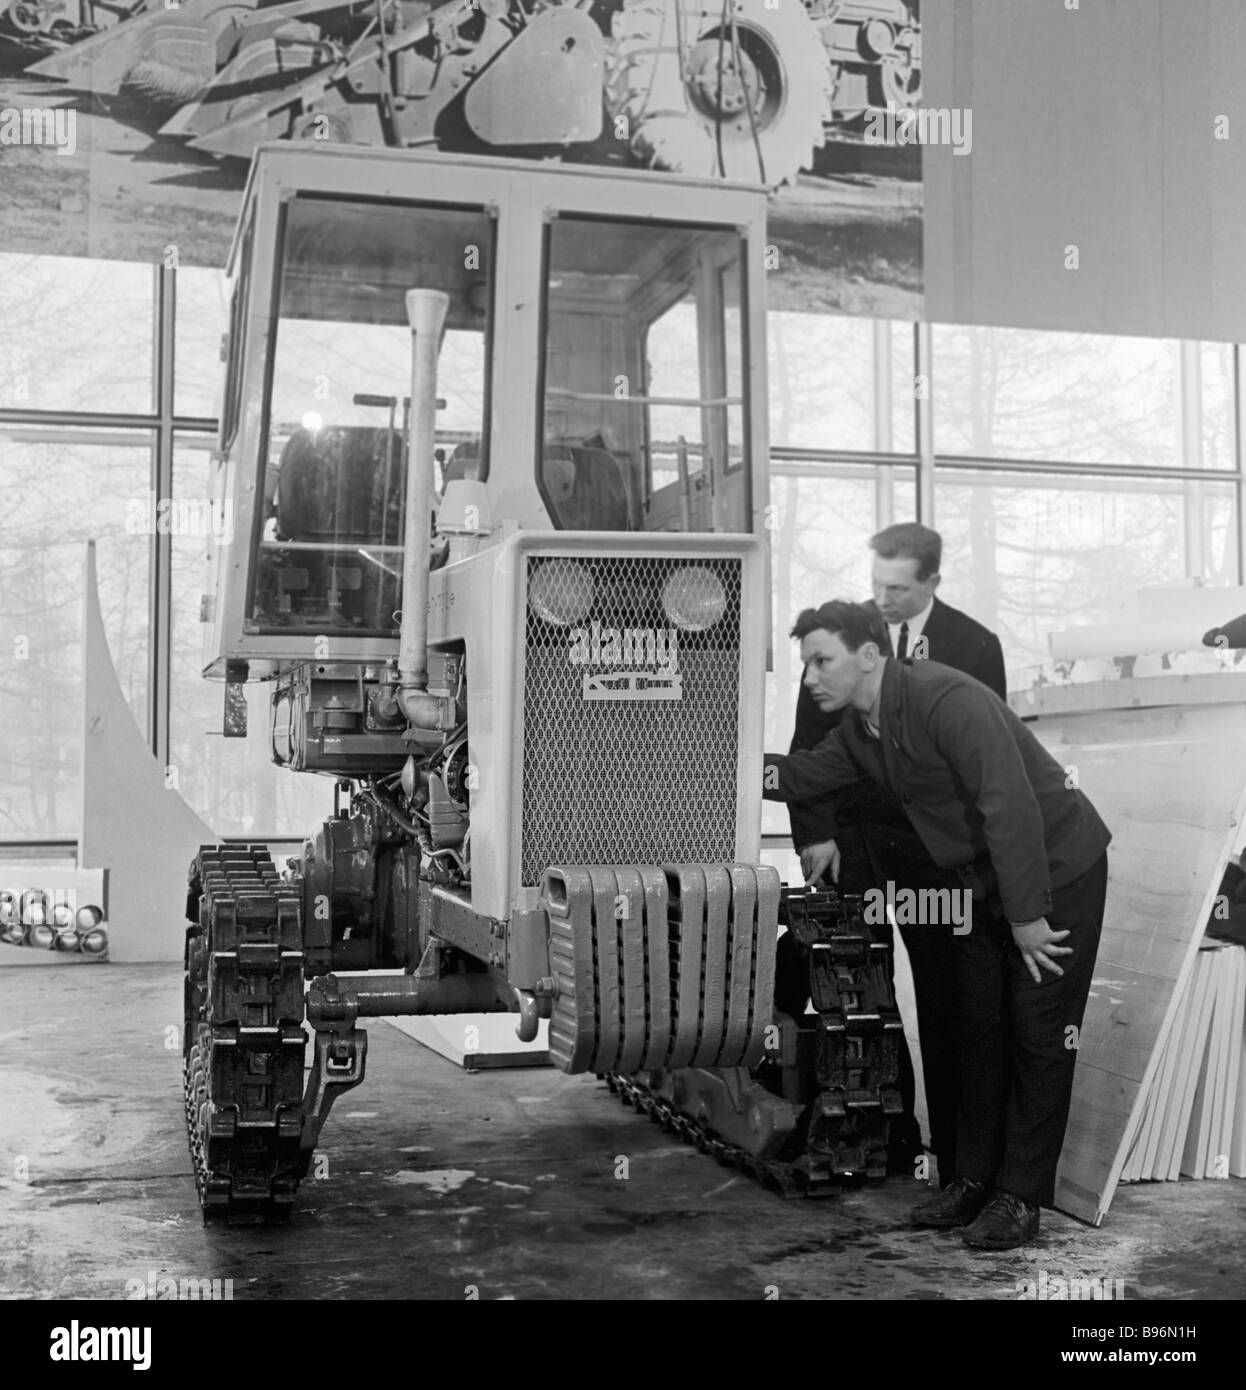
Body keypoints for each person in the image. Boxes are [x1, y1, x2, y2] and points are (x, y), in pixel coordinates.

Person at [764, 600, 1110, 1250]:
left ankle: (1020, 1198)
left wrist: (1031, 918)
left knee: (1038, 1031)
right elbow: (804, 774)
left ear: (869, 655)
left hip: (1055, 870)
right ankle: (974, 1180)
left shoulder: (947, 700)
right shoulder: (862, 730)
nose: (810, 677)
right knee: (978, 1022)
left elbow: (1011, 808)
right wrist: (721, 765)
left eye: (821, 660)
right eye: (805, 662)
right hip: (983, 879)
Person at [784, 523, 1006, 1184]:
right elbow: (806, 746)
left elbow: (986, 759)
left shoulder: (974, 646)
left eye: (898, 588)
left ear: (933, 582)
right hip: (852, 845)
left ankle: (956, 1158)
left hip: (933, 858)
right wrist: (815, 832)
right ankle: (891, 1132)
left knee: (944, 1001)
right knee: (859, 996)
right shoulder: (843, 642)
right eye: (876, 583)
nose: (882, 598)